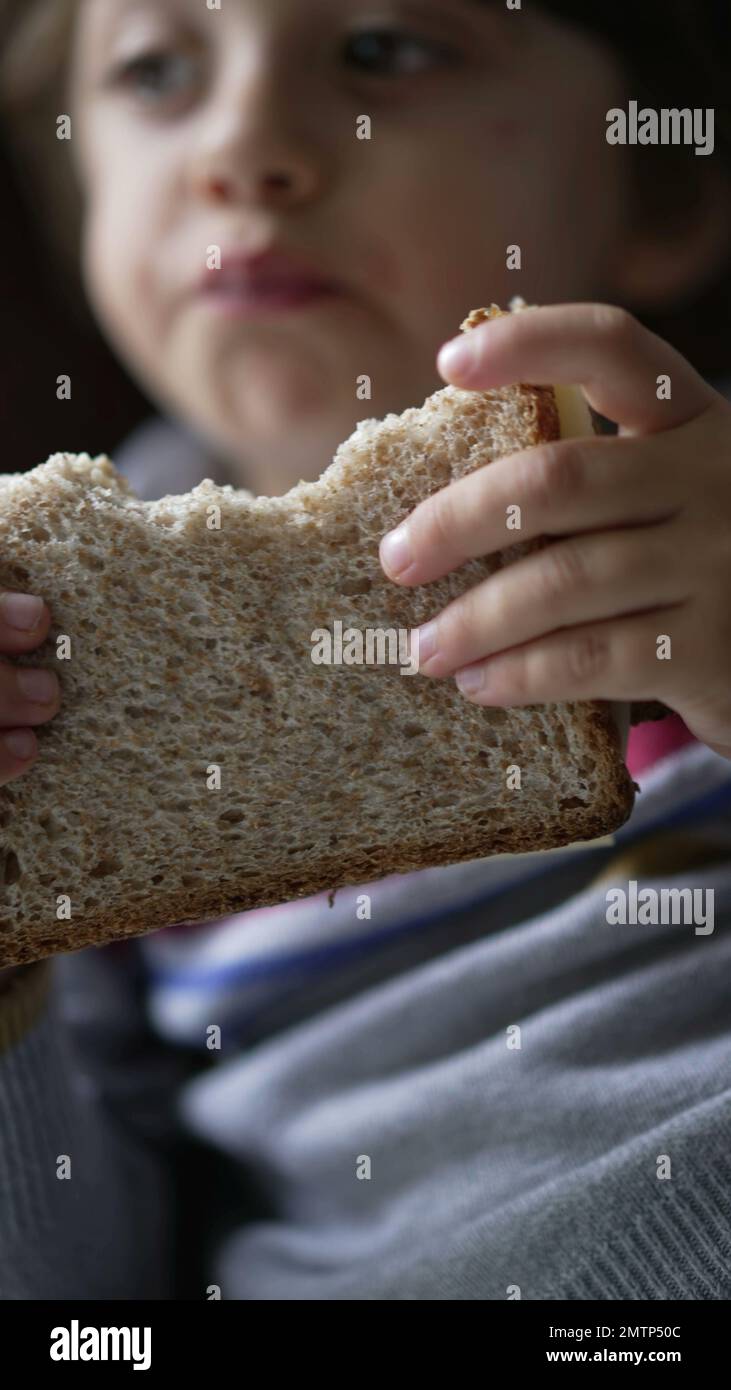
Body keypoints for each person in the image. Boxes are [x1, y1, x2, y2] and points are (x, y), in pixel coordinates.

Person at [1, 0, 731, 1300]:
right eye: (158, 69)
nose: (244, 147)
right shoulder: (47, 671)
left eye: (385, 49)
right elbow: (89, 1286)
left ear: (669, 185)